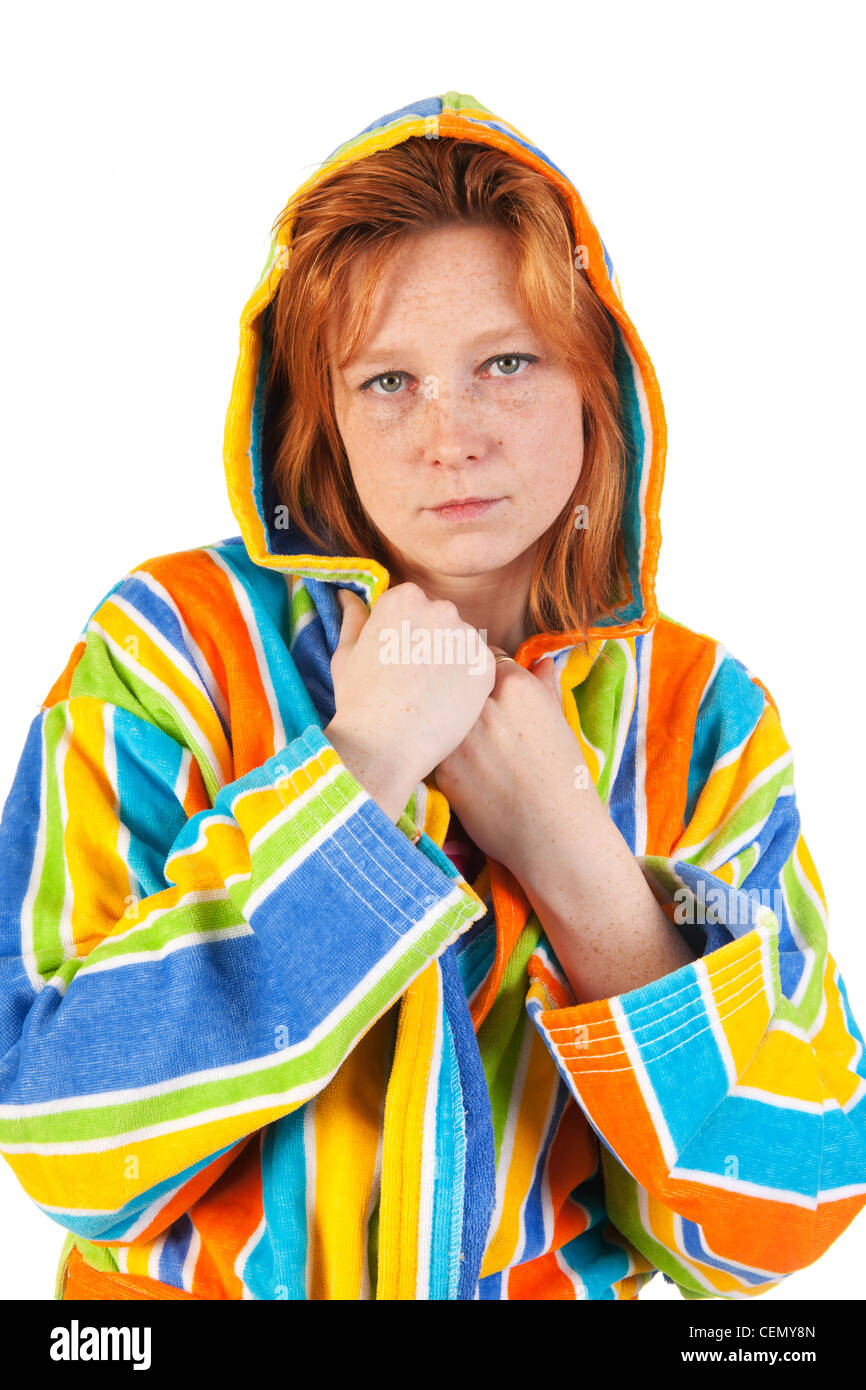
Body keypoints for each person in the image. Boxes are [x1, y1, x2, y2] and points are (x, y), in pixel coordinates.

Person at [1, 90, 864, 1303]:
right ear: (323, 420)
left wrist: (571, 853)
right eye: (386, 382)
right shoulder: (172, 652)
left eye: (504, 362)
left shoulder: (701, 716)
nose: (447, 435)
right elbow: (66, 1140)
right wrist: (353, 770)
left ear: (593, 387)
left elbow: (773, 1223)